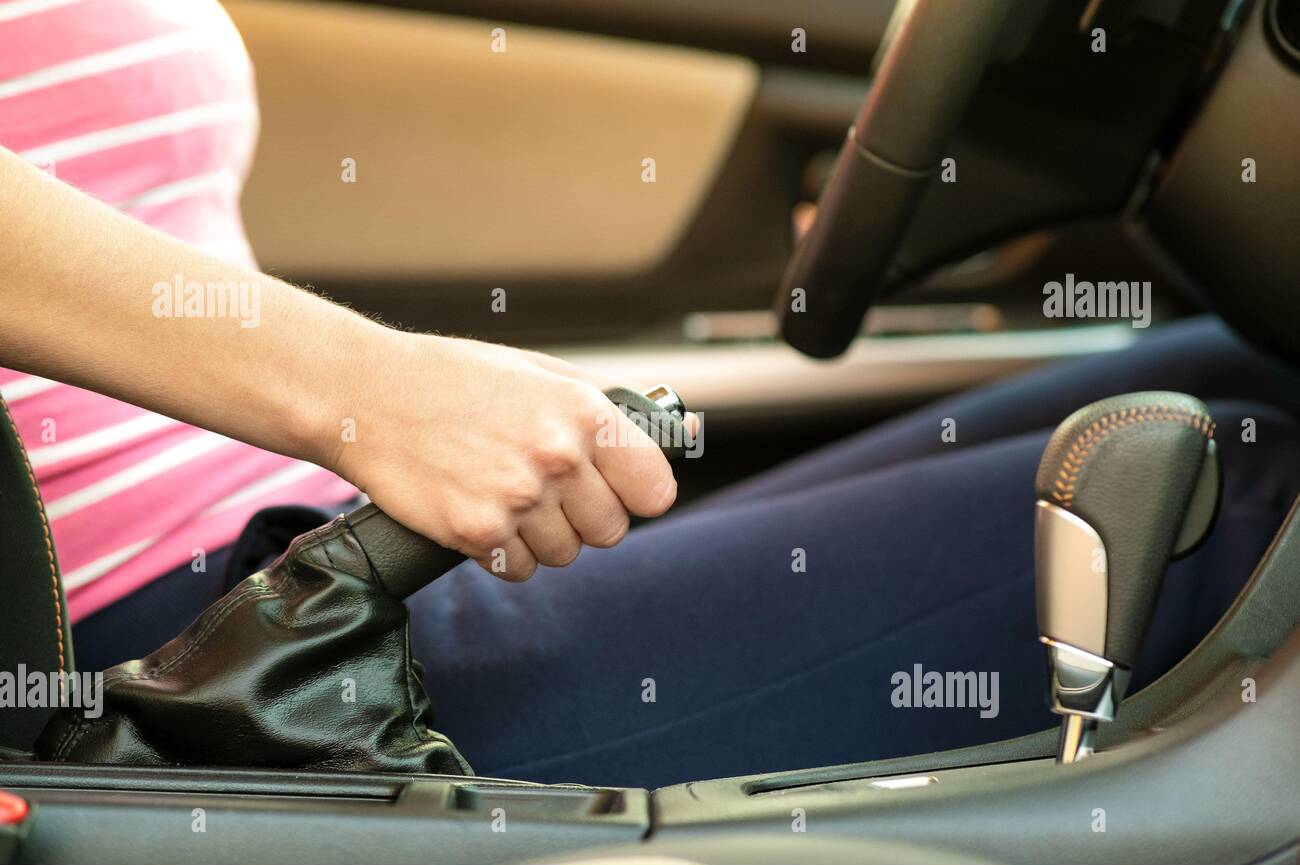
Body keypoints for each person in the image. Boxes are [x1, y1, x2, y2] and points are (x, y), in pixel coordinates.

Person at [4, 0, 1299, 790]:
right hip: (172, 663)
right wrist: (369, 388)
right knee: (1238, 498)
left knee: (1215, 377)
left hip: (287, 552)